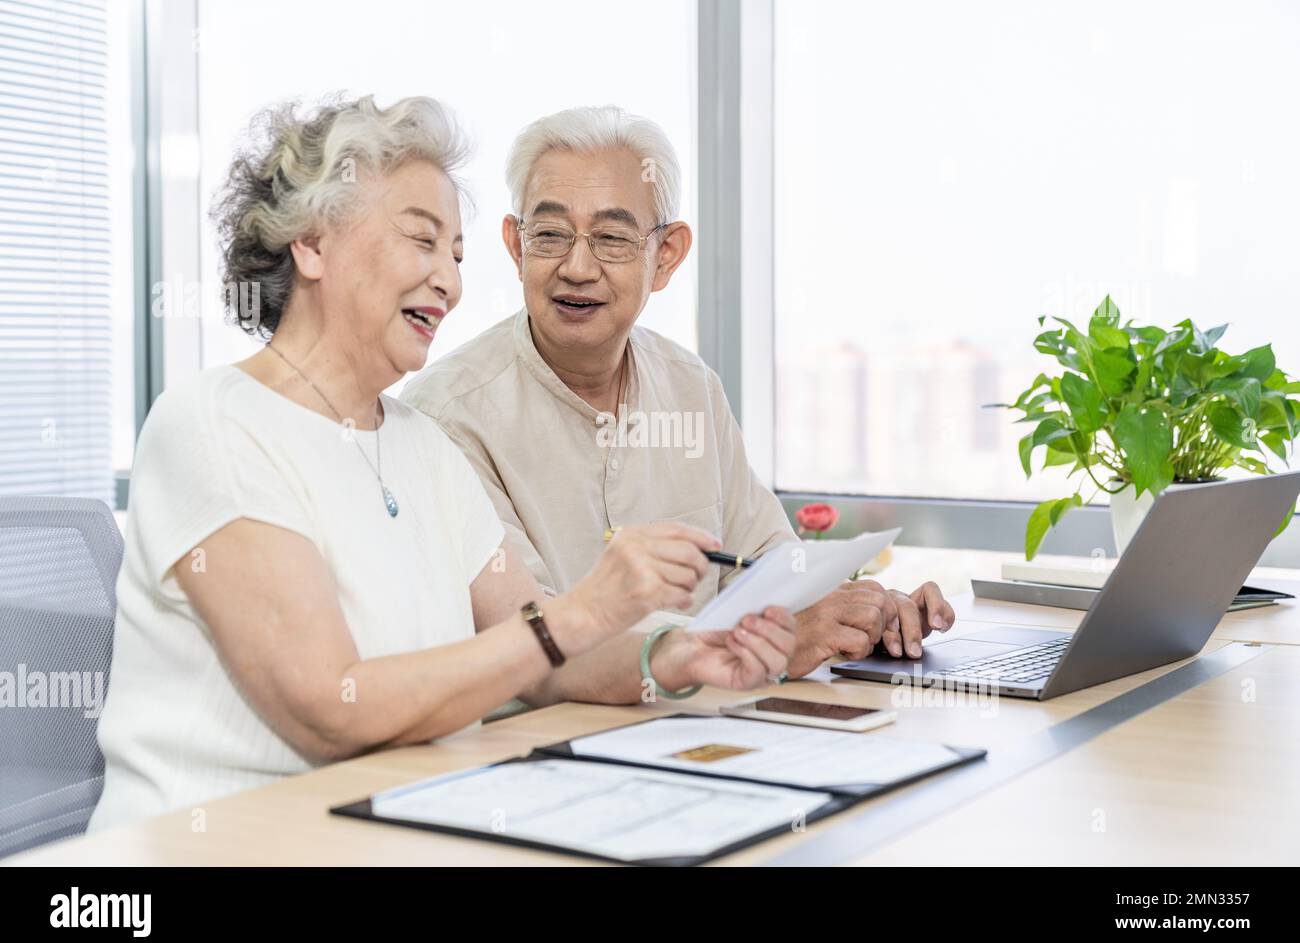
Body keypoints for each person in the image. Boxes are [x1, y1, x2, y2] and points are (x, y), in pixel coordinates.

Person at [89, 96, 796, 832]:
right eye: (422, 242)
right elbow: (330, 706)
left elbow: (545, 658)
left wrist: (675, 655)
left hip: (397, 825)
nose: (450, 283)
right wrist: (584, 610)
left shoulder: (420, 443)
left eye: (456, 255)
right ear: (312, 243)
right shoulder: (214, 424)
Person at [402, 105, 954, 681]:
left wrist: (865, 614)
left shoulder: (692, 387)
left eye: (612, 238)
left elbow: (768, 566)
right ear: (517, 247)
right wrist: (750, 646)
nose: (577, 266)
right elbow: (531, 641)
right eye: (551, 235)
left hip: (711, 728)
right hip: (545, 744)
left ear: (665, 255)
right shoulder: (448, 415)